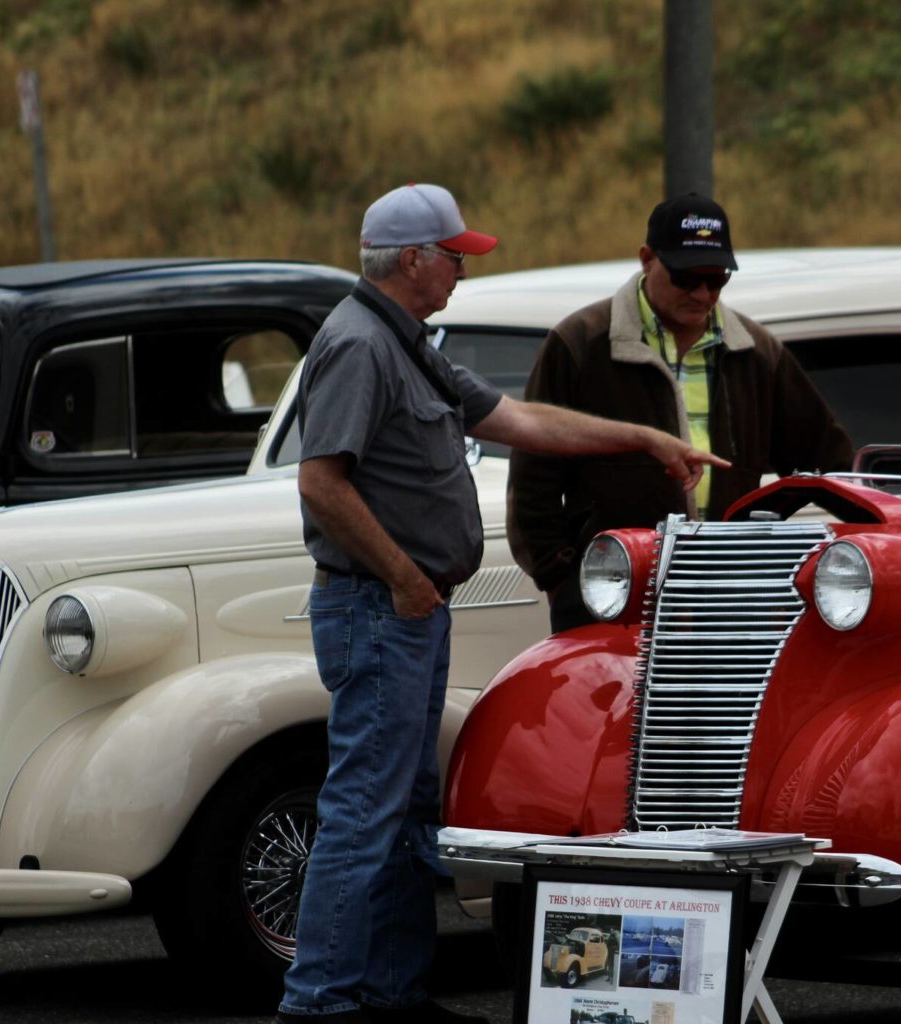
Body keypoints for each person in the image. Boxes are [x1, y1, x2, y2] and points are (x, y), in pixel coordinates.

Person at [276, 183, 725, 1024]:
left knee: (402, 809)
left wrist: (646, 438)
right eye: (453, 257)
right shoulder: (361, 344)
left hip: (399, 612)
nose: (459, 271)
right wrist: (407, 579)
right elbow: (320, 484)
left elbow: (517, 420)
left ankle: (389, 993)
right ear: (412, 260)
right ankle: (322, 1004)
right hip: (384, 610)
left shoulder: (401, 340)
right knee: (363, 814)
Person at [507, 193, 854, 632]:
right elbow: (533, 472)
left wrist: (758, 539)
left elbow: (827, 461)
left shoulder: (756, 351)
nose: (703, 293)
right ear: (647, 259)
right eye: (688, 278)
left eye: (717, 279)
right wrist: (564, 579)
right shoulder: (579, 343)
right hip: (614, 592)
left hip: (731, 597)